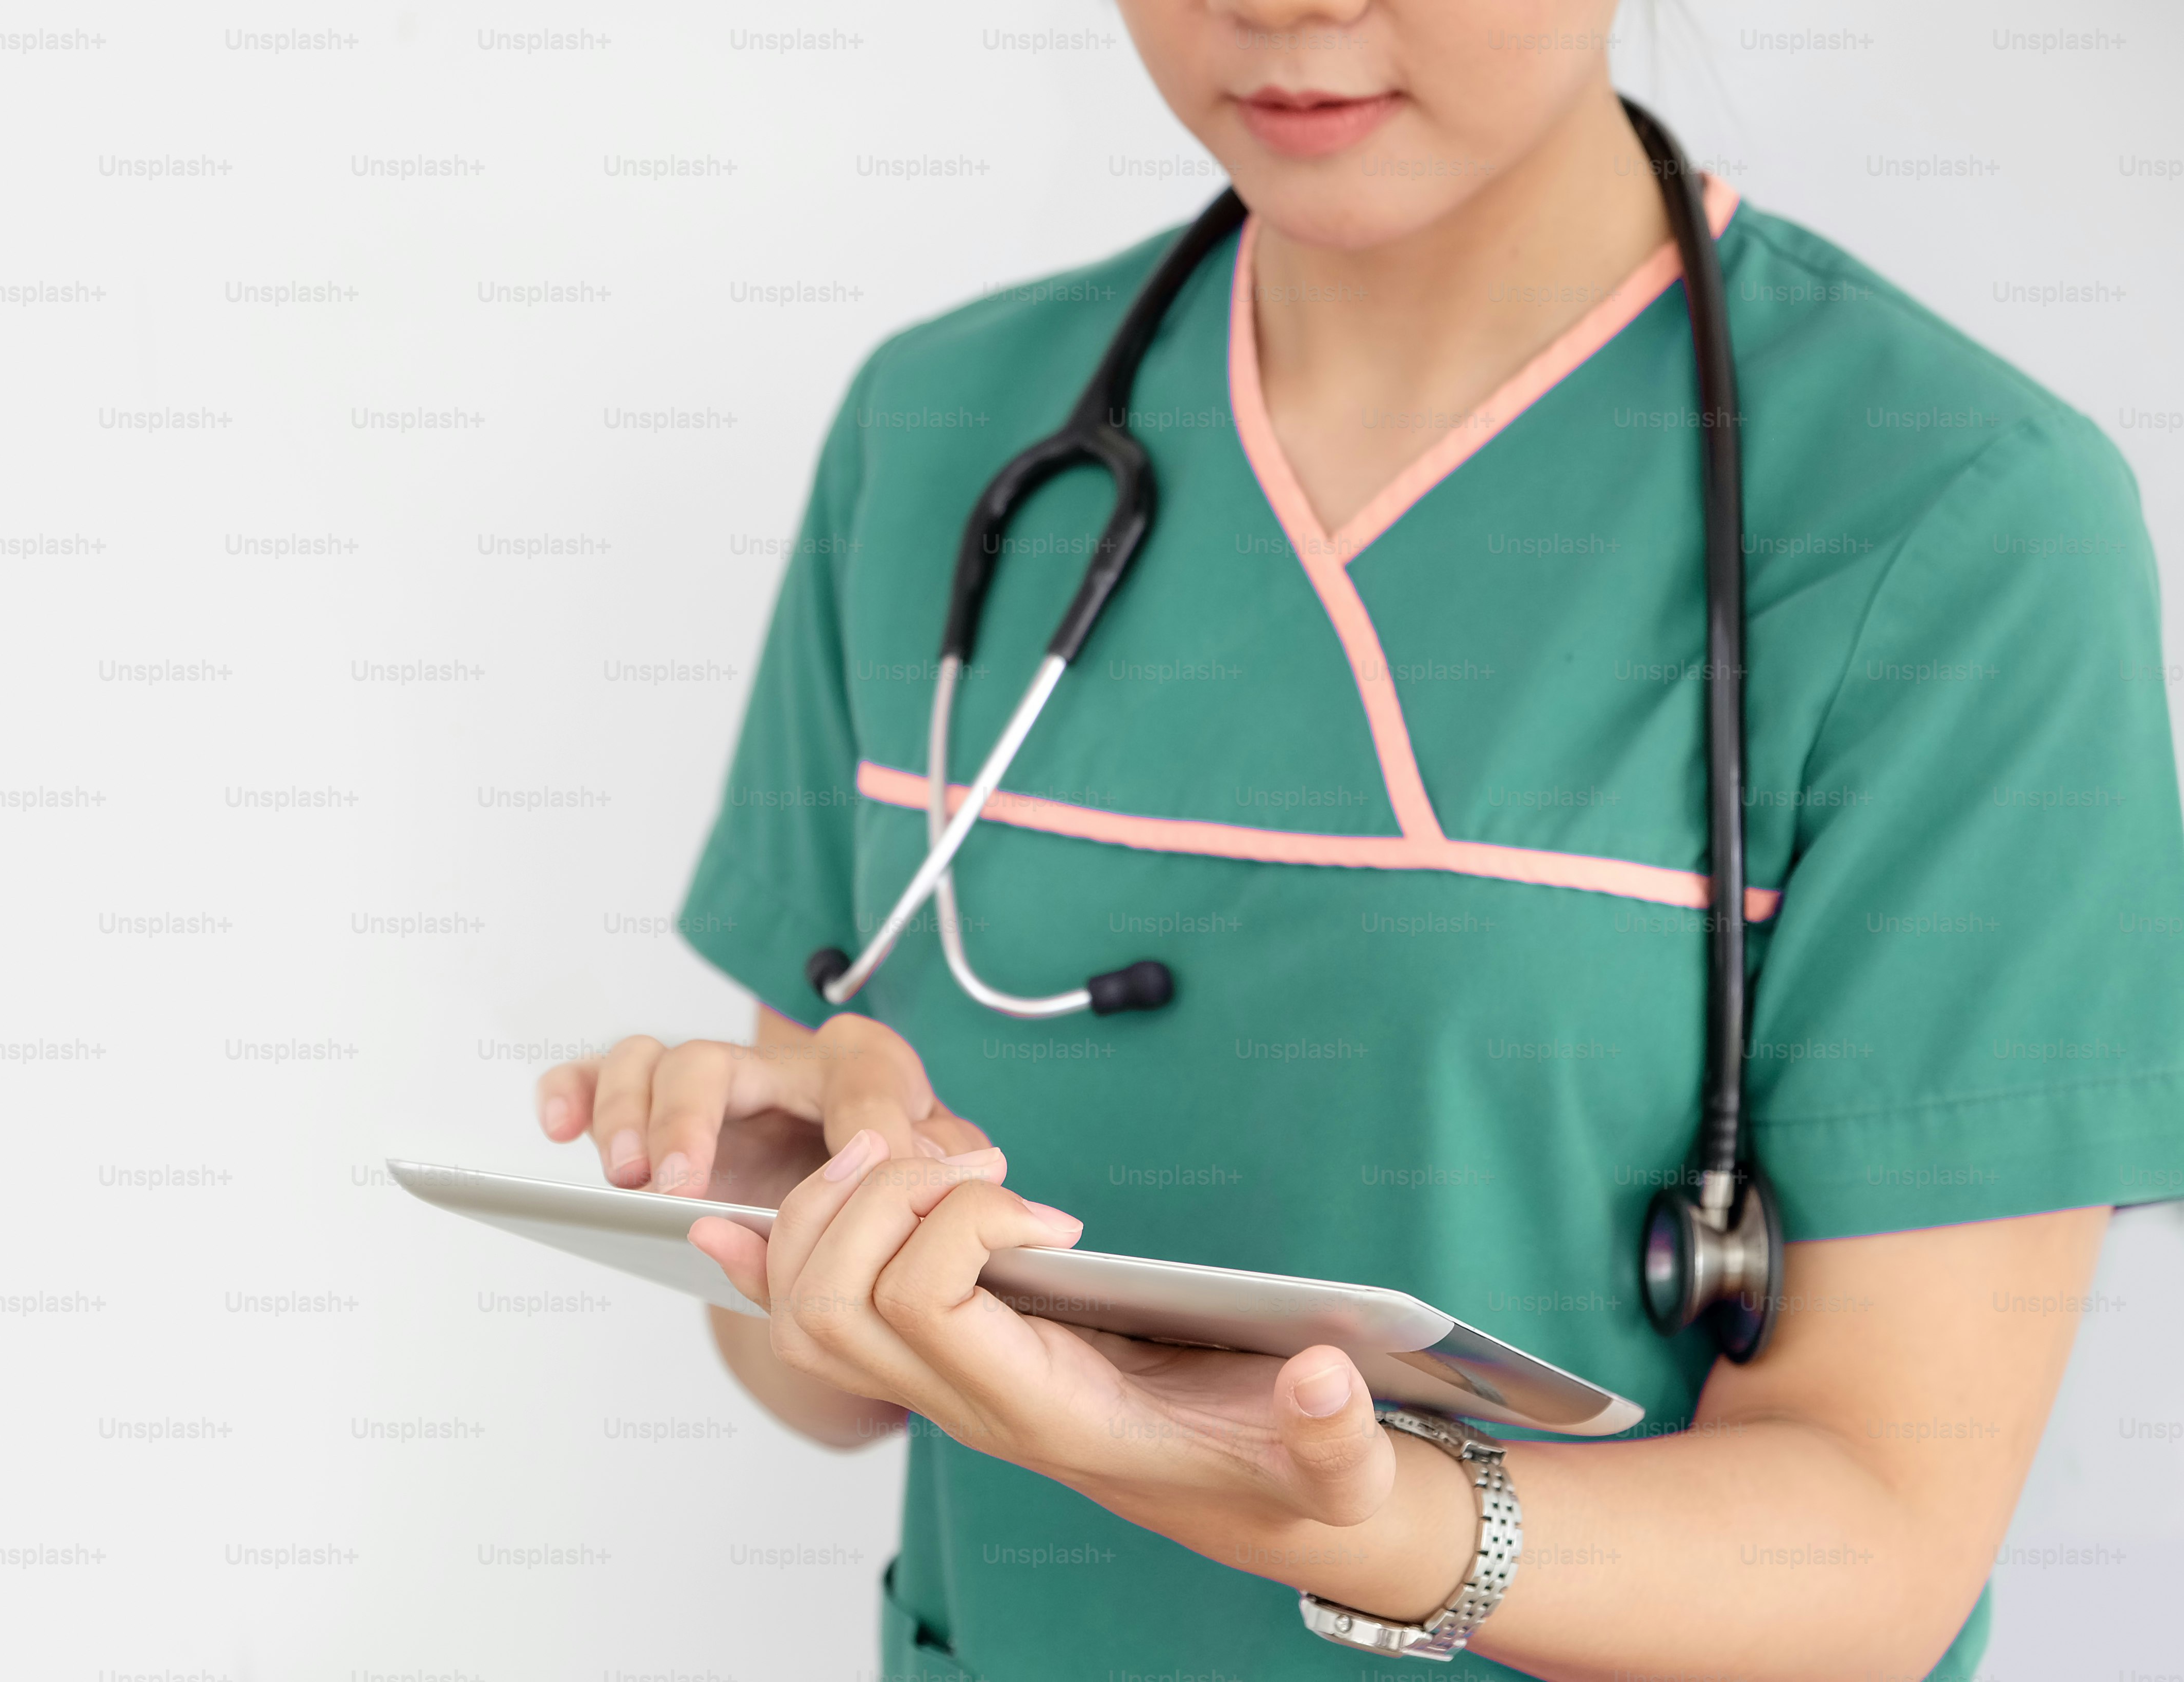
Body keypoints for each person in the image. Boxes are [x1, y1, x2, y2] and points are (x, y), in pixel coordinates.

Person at [536, 3, 2184, 1676]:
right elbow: (820, 1393)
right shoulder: (937, 434)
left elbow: (1875, 1551)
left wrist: (1366, 1516)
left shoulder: (1957, 519)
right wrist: (779, 1223)